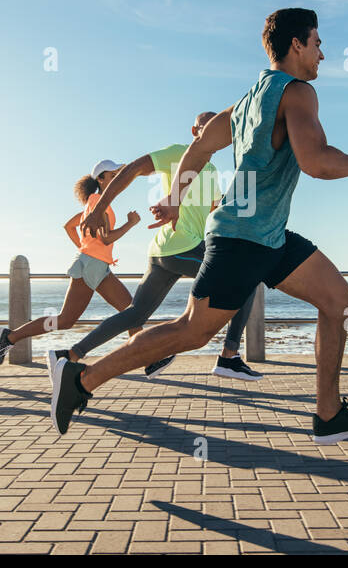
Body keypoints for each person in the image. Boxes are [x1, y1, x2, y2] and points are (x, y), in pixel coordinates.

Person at [48, 8, 348, 444]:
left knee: (338, 300)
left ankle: (329, 414)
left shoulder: (250, 99)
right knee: (191, 332)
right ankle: (80, 380)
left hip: (268, 236)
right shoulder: (298, 93)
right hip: (242, 238)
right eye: (318, 43)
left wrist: (175, 201)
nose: (323, 54)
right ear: (296, 45)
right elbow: (315, 162)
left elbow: (199, 147)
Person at [54, 112, 262, 382]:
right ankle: (229, 356)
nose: (212, 133)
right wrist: (100, 207)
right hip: (180, 246)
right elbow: (132, 169)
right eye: (205, 128)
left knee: (135, 314)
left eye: (219, 130)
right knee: (244, 280)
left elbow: (213, 210)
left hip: (164, 252)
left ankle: (67, 356)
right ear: (194, 131)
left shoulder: (211, 172)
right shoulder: (177, 154)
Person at [0, 161, 142, 366]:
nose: (117, 179)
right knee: (67, 319)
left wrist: (85, 248)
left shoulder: (94, 203)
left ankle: (143, 357)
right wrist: (130, 224)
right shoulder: (97, 201)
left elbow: (69, 227)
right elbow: (106, 238)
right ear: (101, 180)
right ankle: (11, 337)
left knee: (130, 311)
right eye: (113, 175)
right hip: (91, 265)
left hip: (97, 266)